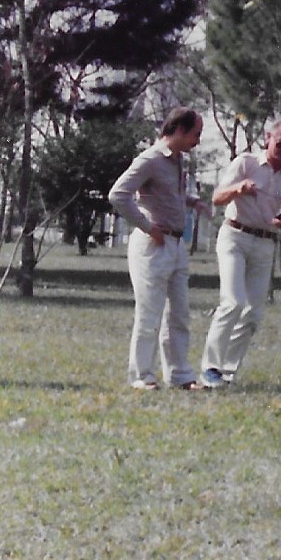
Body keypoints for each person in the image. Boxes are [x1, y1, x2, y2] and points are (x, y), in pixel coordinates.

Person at [199, 115, 281, 388]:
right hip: (235, 235)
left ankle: (227, 372)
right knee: (233, 301)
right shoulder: (245, 163)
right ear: (267, 139)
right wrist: (239, 188)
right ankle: (210, 367)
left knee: (253, 313)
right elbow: (217, 198)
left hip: (265, 241)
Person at [108, 106, 205, 390]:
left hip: (176, 245)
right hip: (152, 245)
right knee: (150, 313)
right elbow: (118, 195)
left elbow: (166, 195)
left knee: (179, 313)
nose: (197, 141)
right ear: (179, 130)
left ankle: (180, 375)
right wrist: (147, 226)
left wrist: (193, 202)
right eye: (195, 134)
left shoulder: (177, 162)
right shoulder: (150, 159)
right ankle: (142, 376)